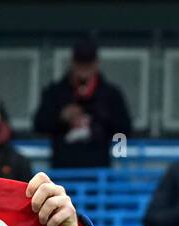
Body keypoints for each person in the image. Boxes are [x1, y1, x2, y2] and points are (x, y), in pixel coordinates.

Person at [32, 37, 132, 170]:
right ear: (72, 62)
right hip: (63, 170)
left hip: (99, 171)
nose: (84, 68)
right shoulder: (56, 92)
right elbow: (39, 125)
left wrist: (98, 118)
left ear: (96, 63)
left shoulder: (110, 94)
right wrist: (61, 117)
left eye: (88, 63)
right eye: (80, 63)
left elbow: (124, 130)